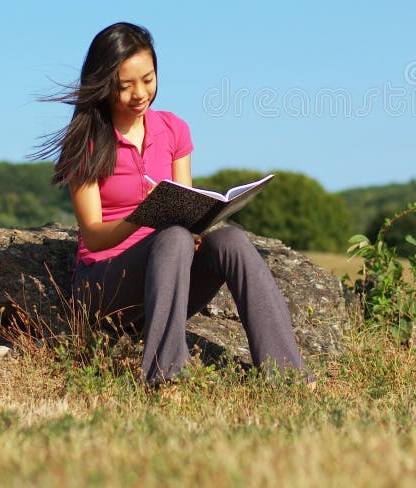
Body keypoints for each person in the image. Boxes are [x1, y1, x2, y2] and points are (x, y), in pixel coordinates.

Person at [40, 22, 312, 387]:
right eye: (125, 85)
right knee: (173, 237)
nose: (140, 93)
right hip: (105, 286)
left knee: (229, 240)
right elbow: (93, 236)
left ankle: (288, 375)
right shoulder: (87, 144)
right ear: (104, 83)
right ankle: (166, 377)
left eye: (148, 79)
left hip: (168, 278)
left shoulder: (173, 129)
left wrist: (199, 222)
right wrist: (143, 216)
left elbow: (186, 208)